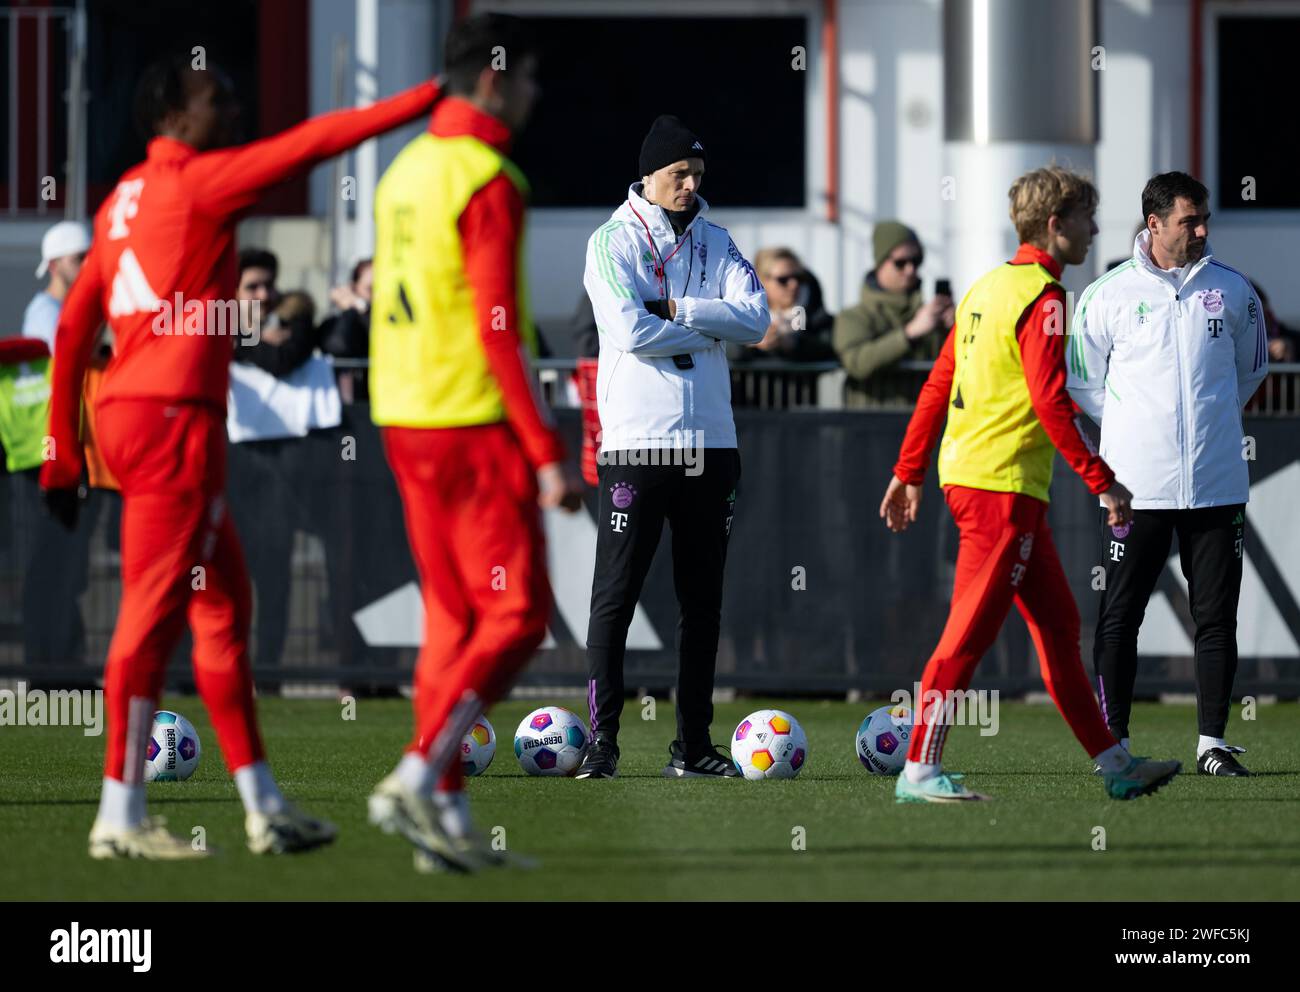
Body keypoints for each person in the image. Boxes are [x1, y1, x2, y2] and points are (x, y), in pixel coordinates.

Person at [39, 52, 442, 859]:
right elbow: (317, 142)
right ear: (173, 114)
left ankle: (263, 805)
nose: (232, 105)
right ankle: (120, 816)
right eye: (215, 95)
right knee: (150, 614)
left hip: (139, 414)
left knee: (223, 604)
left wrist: (63, 449)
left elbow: (78, 326)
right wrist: (434, 94)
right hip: (172, 421)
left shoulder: (121, 200)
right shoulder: (196, 181)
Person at [879, 165, 1182, 803]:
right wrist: (1103, 481)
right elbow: (1050, 402)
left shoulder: (988, 287)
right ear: (1056, 223)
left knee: (1060, 628)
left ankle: (1116, 765)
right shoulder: (1044, 298)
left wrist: (909, 471)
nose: (1095, 229)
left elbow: (939, 384)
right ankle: (919, 771)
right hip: (1001, 490)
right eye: (1086, 217)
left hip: (982, 483)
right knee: (968, 635)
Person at [366, 13, 583, 873]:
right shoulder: (489, 177)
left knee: (452, 623)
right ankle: (417, 774)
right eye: (527, 77)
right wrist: (543, 452)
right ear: (494, 80)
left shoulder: (405, 170)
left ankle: (445, 821)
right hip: (469, 418)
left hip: (403, 415)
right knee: (520, 615)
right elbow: (500, 332)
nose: (534, 94)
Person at [576, 113, 768, 780]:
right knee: (616, 597)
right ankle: (602, 743)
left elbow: (758, 318)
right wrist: (712, 324)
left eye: (697, 175)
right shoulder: (612, 240)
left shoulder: (718, 241)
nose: (689, 184)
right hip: (639, 444)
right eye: (678, 174)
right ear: (649, 176)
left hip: (713, 443)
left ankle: (693, 746)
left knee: (702, 603)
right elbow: (628, 329)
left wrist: (682, 312)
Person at [1067, 171, 1269, 776]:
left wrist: (1205, 425)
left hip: (1216, 484)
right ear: (1154, 224)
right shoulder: (1104, 294)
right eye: (1190, 220)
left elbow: (1249, 372)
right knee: (1120, 617)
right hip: (1135, 490)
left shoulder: (1235, 291)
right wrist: (1132, 432)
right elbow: (1083, 384)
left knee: (1217, 618)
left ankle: (1212, 743)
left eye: (1205, 218)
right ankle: (1116, 745)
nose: (1202, 230)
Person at [834, 221, 952, 407]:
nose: (910, 270)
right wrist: (909, 333)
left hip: (922, 425)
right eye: (900, 263)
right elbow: (857, 362)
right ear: (880, 263)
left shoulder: (928, 314)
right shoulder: (854, 317)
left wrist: (953, 330)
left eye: (916, 261)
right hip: (871, 426)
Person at [730, 247, 833, 362]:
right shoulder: (738, 315)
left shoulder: (819, 318)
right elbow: (720, 346)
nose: (794, 284)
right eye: (783, 279)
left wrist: (794, 343)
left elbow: (831, 348)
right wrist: (748, 342)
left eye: (799, 278)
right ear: (762, 280)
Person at [21, 220, 91, 349]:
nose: (87, 265)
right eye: (79, 258)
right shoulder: (44, 311)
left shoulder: (66, 307)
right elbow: (66, 357)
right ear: (53, 265)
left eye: (90, 258)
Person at [317, 258, 373, 401]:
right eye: (371, 289)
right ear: (353, 289)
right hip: (353, 406)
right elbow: (339, 346)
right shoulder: (336, 322)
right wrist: (352, 310)